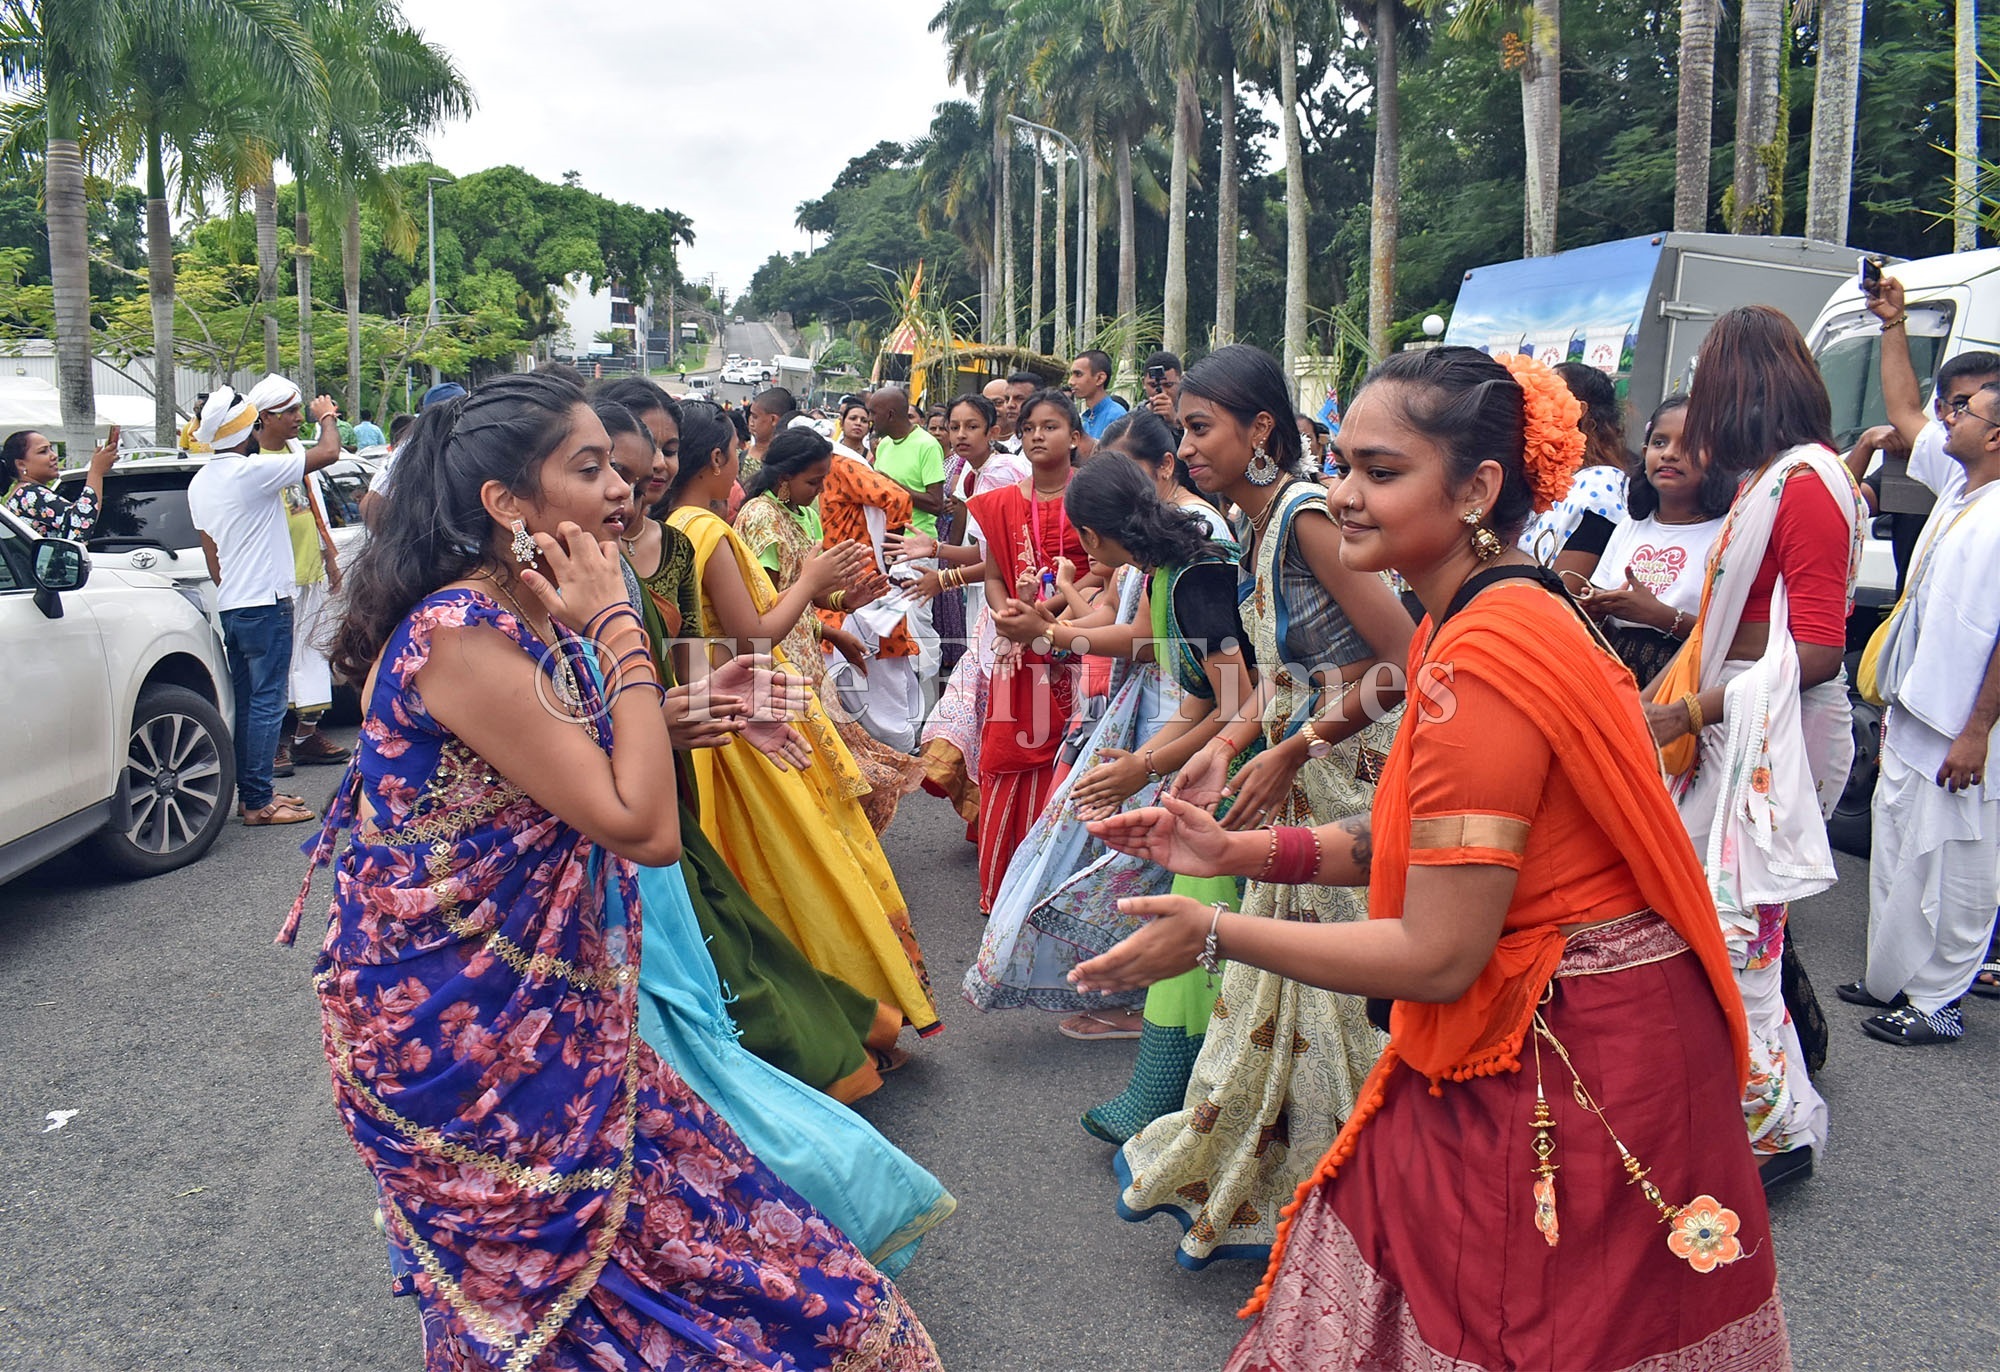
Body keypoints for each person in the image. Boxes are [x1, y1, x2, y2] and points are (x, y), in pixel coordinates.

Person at [1075, 344, 1785, 1372]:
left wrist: (1215, 930)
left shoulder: (1478, 661)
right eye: (1343, 462)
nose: (1345, 496)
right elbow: (1405, 843)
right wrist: (1237, 846)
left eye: (1379, 470)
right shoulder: (1484, 618)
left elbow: (1439, 950)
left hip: (1564, 1061)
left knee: (1507, 1324)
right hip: (1550, 1033)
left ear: (1477, 488)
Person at [284, 372, 941, 1368]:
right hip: (467, 1026)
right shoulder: (459, 633)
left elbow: (555, 761)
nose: (621, 490)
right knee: (577, 1263)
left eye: (620, 469)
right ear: (506, 503)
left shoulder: (523, 605)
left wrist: (681, 705)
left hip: (553, 1005)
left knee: (670, 1231)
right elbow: (640, 823)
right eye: (589, 469)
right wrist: (621, 630)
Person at [1099, 346, 1412, 1268]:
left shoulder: (1307, 519)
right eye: (1184, 429)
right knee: (1287, 1000)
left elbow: (1405, 657)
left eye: (1201, 429)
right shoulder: (1259, 522)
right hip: (1300, 783)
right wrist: (1232, 748)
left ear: (1260, 431)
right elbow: (1286, 677)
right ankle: (1315, 1198)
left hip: (1350, 791)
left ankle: (1370, 1203)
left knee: (1346, 1003)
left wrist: (1296, 745)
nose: (1185, 448)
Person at [595, 384, 916, 1100]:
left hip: (707, 734)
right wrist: (809, 589)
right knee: (745, 910)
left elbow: (673, 656)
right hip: (672, 760)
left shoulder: (660, 545)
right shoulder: (558, 575)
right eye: (600, 467)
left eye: (658, 454)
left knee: (735, 918)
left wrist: (707, 700)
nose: (637, 477)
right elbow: (742, 633)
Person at [1645, 305, 1863, 1189]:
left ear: (1744, 389)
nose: (1697, 410)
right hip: (1734, 728)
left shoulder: (1805, 484)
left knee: (1742, 940)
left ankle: (1778, 1134)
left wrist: (1692, 711)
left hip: (1764, 738)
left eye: (1706, 385)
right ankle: (1749, 1110)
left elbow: (1816, 651)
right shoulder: (1772, 478)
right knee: (1723, 933)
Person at [665, 401, 943, 1042]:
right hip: (750, 703)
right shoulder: (715, 528)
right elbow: (752, 631)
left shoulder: (700, 524)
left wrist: (834, 596)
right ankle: (842, 1006)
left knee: (797, 850)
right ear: (718, 459)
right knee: (806, 859)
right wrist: (816, 581)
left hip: (742, 698)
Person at [967, 446, 1248, 1043]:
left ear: (1091, 536)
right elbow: (1164, 658)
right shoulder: (1169, 565)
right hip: (1195, 738)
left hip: (1239, 753)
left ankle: (1169, 1008)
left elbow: (1238, 703)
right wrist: (1141, 765)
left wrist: (1145, 765)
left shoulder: (1193, 576)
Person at [1848, 379, 2000, 1045]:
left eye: (1963, 410)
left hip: (1960, 728)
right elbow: (1908, 415)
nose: (1947, 417)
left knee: (1956, 863)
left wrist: (1976, 731)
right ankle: (1893, 979)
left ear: (1995, 435)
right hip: (1915, 712)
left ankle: (1940, 1002)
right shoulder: (1963, 496)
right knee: (1898, 850)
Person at [737, 426, 927, 833]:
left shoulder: (799, 512)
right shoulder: (761, 517)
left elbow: (806, 596)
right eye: (813, 481)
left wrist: (844, 604)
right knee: (817, 773)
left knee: (832, 773)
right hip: (777, 664)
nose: (821, 490)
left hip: (804, 661)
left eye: (824, 481)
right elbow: (763, 605)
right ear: (784, 478)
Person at [187, 387, 346, 826]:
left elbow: (211, 555)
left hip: (234, 605)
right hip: (266, 603)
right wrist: (326, 415)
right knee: (267, 704)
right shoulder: (252, 472)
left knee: (248, 701)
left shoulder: (201, 481)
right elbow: (328, 453)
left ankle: (254, 793)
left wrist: (237, 587)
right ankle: (258, 802)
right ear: (247, 431)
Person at [966, 388, 1093, 915]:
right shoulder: (999, 504)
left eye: (1051, 426)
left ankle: (1054, 889)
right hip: (1015, 650)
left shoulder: (1091, 499)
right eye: (1030, 428)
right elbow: (995, 576)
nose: (1038, 435)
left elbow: (1101, 576)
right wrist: (1007, 619)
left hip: (1076, 644)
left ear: (1075, 436)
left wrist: (1047, 619)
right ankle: (1004, 887)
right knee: (1005, 750)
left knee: (1070, 750)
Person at [908, 394, 1033, 830]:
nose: (960, 435)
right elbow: (982, 552)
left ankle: (1000, 817)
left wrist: (942, 573)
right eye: (954, 426)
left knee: (987, 711)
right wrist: (936, 550)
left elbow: (998, 560)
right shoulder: (972, 474)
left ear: (993, 432)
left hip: (1008, 605)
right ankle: (991, 817)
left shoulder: (1000, 474)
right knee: (979, 713)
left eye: (972, 427)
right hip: (989, 604)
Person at [1577, 396, 1731, 682]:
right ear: (1645, 452)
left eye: (1688, 445)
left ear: (1718, 458)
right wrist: (1595, 605)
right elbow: (1596, 602)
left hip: (1688, 679)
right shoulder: (1629, 527)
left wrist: (1658, 615)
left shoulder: (1726, 534)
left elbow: (1733, 640)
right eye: (1660, 443)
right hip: (1616, 672)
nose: (1669, 454)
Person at [1862, 272, 2000, 582]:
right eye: (1960, 404)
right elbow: (1903, 410)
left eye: (1977, 407)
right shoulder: (1955, 471)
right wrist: (1893, 320)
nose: (1956, 418)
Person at [246, 373, 351, 773]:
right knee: (276, 666)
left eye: (297, 409)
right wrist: (327, 419)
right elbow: (330, 452)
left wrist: (329, 557)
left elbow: (313, 507)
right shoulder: (254, 463)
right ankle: (272, 745)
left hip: (308, 573)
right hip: (274, 580)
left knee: (312, 655)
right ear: (265, 419)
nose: (296, 418)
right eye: (288, 411)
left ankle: (305, 737)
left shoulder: (291, 450)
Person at [820, 412, 931, 753]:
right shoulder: (823, 465)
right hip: (836, 582)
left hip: (863, 579)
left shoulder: (839, 464)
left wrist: (891, 554)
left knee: (880, 666)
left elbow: (897, 498)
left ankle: (895, 744)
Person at [1519, 360, 1630, 579]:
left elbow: (1566, 589)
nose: (1533, 403)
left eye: (1549, 394)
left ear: (1578, 409)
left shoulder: (1601, 482)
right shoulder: (1544, 478)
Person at [2, 426, 117, 538]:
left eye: (51, 449)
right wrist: (96, 472)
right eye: (43, 451)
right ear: (21, 464)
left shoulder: (22, 493)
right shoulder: (29, 494)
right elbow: (79, 524)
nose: (54, 456)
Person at [1069, 348, 1130, 441]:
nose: (1070, 381)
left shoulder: (1117, 417)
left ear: (1100, 379)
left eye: (1078, 374)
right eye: (1071, 374)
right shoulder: (1086, 418)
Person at [742, 385, 795, 485]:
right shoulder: (740, 457)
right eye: (750, 416)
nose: (751, 421)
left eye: (755, 416)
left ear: (773, 419)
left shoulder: (784, 464)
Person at [1142, 350, 1183, 429]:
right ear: (1143, 383)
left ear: (1181, 381)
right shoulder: (1133, 417)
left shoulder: (1192, 413)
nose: (1162, 392)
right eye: (1153, 385)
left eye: (1168, 385)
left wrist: (1175, 422)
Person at [982, 376, 1021, 452]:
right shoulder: (975, 443)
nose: (992, 409)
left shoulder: (1026, 443)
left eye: (998, 403)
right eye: (986, 404)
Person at [833, 397, 872, 461]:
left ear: (868, 428)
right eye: (853, 418)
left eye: (864, 421)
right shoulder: (831, 452)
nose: (858, 423)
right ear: (842, 424)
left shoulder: (871, 460)